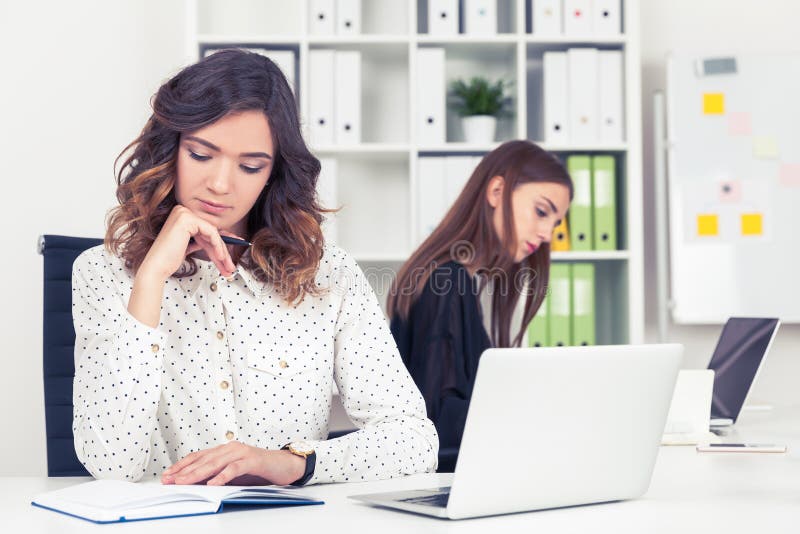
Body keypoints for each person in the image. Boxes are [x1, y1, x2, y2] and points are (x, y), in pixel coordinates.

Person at [71, 48, 438, 487]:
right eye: (201, 155)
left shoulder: (329, 274)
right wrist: (150, 280)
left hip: (287, 518)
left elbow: (415, 441)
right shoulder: (101, 273)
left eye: (250, 166)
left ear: (273, 174)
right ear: (171, 150)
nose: (220, 184)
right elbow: (112, 466)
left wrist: (292, 462)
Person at [388, 140, 572, 458]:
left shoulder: (461, 281)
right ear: (497, 192)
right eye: (541, 212)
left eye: (555, 223)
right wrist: (535, 415)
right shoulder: (447, 281)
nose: (547, 234)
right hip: (443, 477)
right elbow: (437, 424)